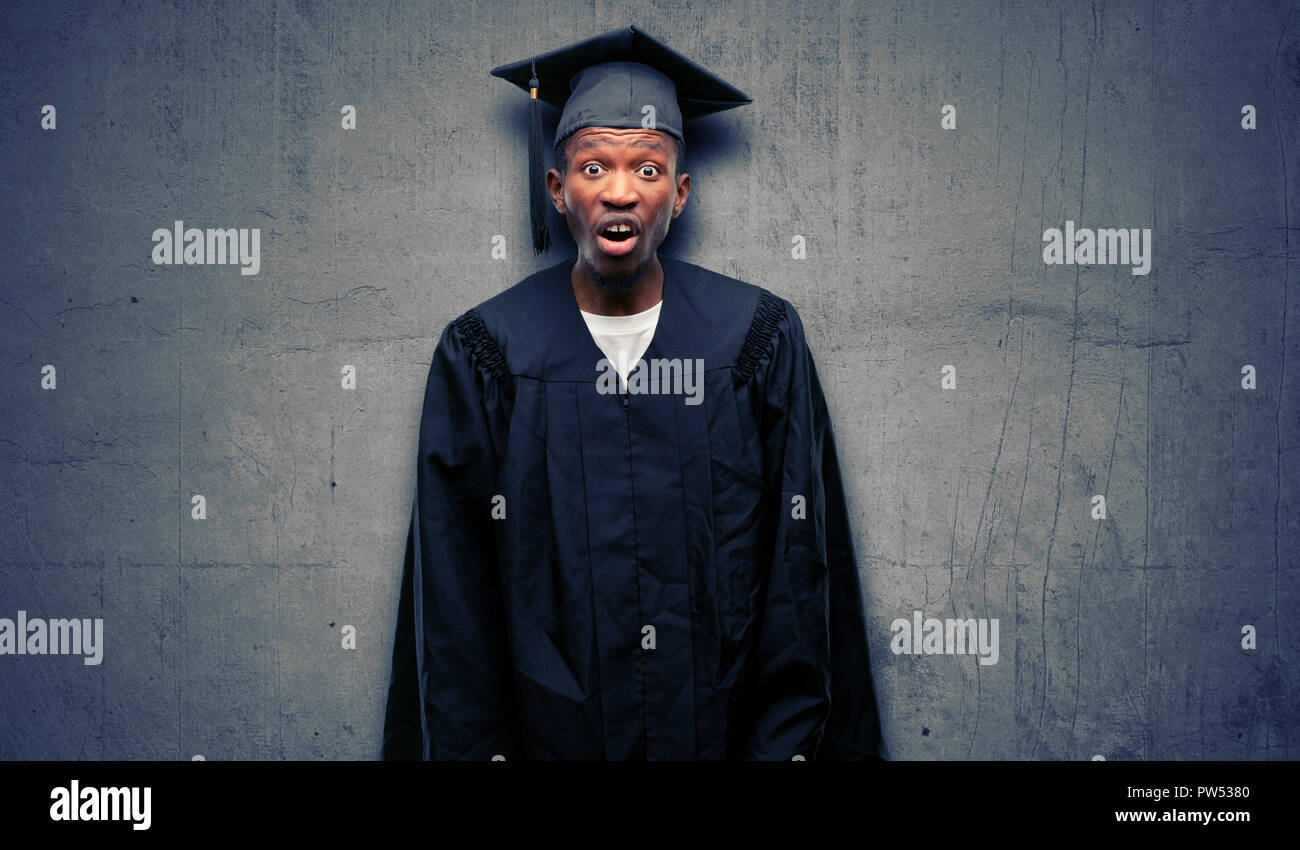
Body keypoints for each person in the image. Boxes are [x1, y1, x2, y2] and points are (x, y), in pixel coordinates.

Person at [382, 25, 882, 760]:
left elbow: (801, 577)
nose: (620, 190)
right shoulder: (487, 354)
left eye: (648, 170)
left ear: (679, 195)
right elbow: (454, 603)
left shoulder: (756, 341)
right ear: (557, 190)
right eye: (592, 166)